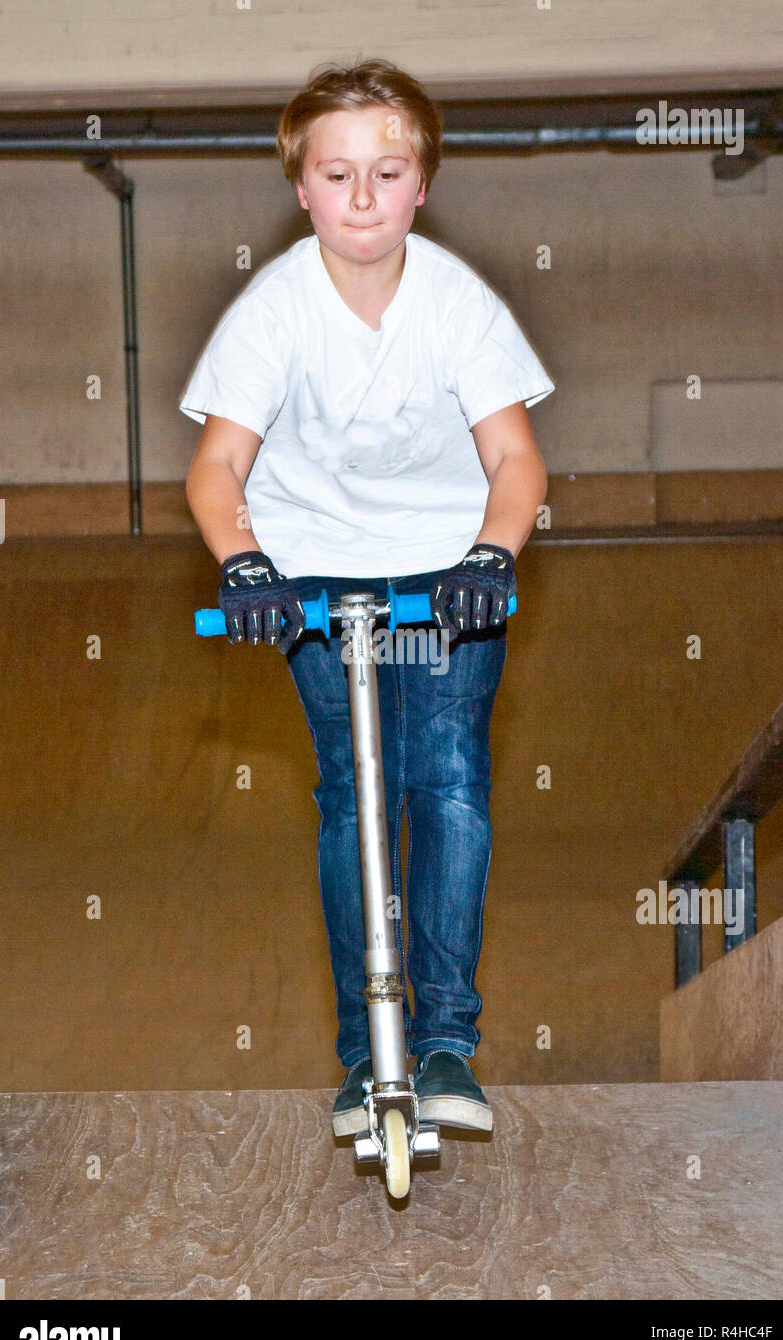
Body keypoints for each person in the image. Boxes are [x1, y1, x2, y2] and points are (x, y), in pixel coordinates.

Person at [180, 57, 554, 1137]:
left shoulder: (456, 302)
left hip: (445, 569)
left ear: (421, 184)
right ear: (299, 186)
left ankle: (442, 1043)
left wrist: (492, 554)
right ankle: (363, 1053)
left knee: (445, 784)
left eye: (385, 173)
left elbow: (515, 459)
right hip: (310, 566)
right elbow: (218, 467)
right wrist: (243, 561)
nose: (359, 197)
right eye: (335, 174)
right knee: (354, 794)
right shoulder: (274, 309)